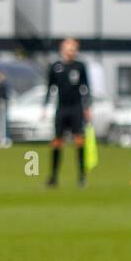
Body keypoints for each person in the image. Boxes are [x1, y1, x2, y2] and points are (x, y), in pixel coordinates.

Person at [43, 39, 92, 188]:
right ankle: (53, 177)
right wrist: (44, 107)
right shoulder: (55, 67)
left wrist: (87, 107)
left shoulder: (80, 66)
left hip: (76, 108)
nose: (70, 51)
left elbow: (86, 88)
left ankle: (82, 177)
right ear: (62, 50)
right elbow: (50, 88)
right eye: (68, 48)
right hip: (62, 108)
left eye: (73, 49)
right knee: (57, 142)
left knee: (79, 141)